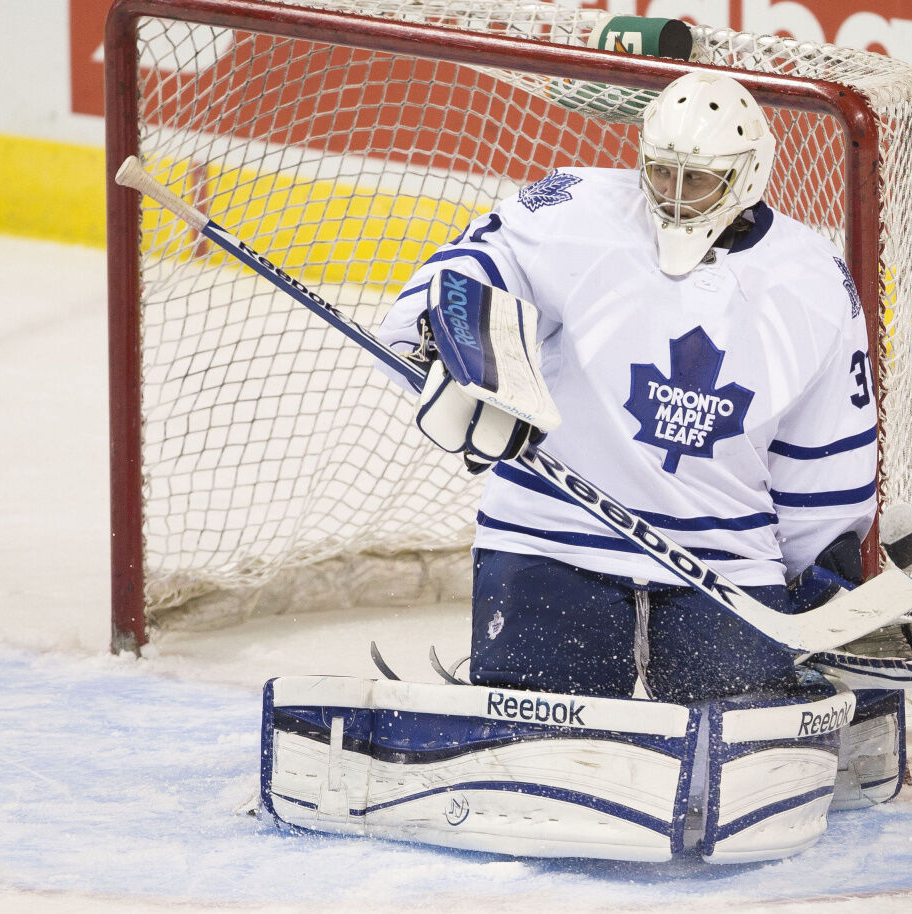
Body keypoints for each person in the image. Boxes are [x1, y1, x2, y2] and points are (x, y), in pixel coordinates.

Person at [376, 71, 880, 705]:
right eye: (660, 171)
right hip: (548, 530)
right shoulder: (573, 207)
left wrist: (824, 585)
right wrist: (466, 350)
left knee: (738, 759)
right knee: (541, 754)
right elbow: (459, 275)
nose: (671, 195)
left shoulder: (813, 281)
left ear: (747, 175)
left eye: (697, 178)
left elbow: (826, 465)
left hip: (722, 560)